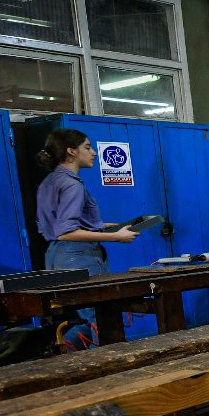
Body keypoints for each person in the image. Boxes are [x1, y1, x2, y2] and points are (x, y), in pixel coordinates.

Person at [35, 129, 139, 349]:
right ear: (71, 151)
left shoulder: (50, 181)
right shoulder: (73, 185)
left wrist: (100, 226)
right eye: (87, 147)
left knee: (86, 319)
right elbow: (67, 231)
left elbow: (57, 226)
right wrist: (116, 237)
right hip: (79, 256)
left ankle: (57, 359)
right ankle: (112, 370)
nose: (93, 153)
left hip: (56, 255)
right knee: (101, 318)